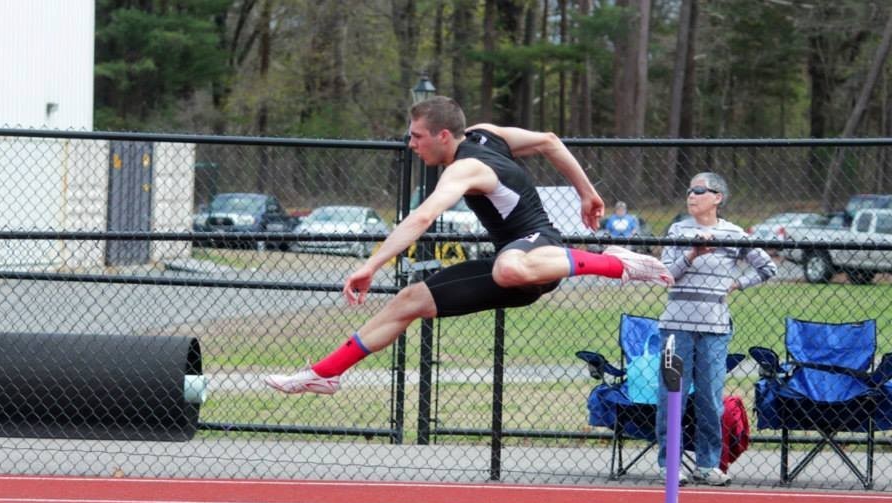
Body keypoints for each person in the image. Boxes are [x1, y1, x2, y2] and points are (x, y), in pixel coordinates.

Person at [264, 96, 673, 395]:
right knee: (408, 300)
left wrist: (372, 264)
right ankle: (326, 372)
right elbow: (549, 141)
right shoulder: (487, 136)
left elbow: (422, 218)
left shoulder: (466, 167)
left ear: (443, 135)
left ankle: (614, 262)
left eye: (417, 137)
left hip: (538, 252)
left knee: (508, 266)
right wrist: (586, 193)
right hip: (512, 260)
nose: (411, 144)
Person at [655, 172, 777, 486]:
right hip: (676, 327)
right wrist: (693, 254)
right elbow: (666, 274)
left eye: (699, 190)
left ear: (717, 197)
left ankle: (708, 465)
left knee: (710, 398)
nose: (691, 195)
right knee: (673, 397)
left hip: (714, 328)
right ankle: (669, 464)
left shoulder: (734, 234)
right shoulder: (678, 231)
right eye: (689, 190)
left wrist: (737, 283)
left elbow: (767, 267)